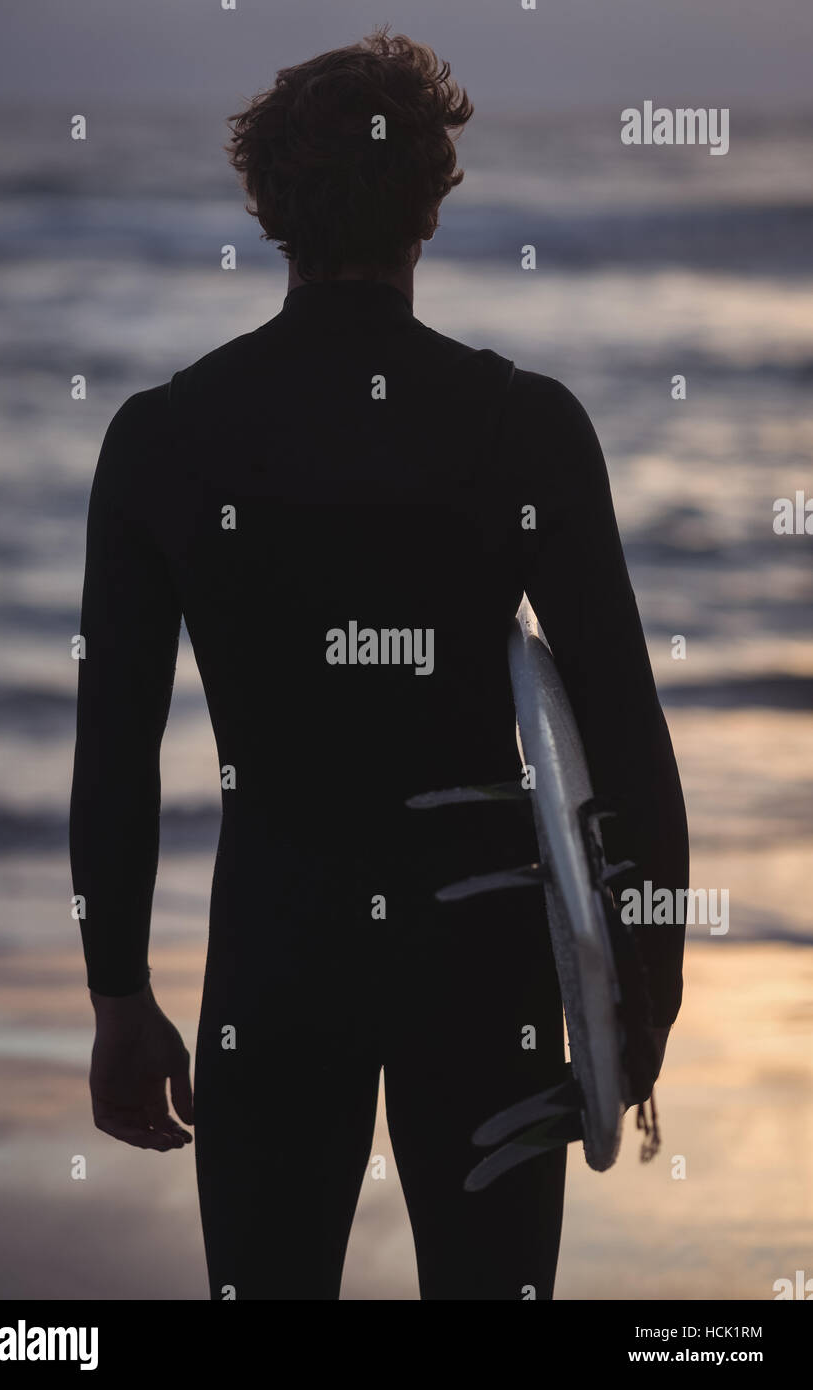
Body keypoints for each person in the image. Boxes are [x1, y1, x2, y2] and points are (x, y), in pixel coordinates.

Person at [70, 28, 688, 1301]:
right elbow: (624, 732)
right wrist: (642, 978)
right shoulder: (526, 427)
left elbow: (115, 746)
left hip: (273, 947)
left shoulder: (163, 440)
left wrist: (117, 995)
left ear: (268, 206)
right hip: (481, 954)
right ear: (431, 202)